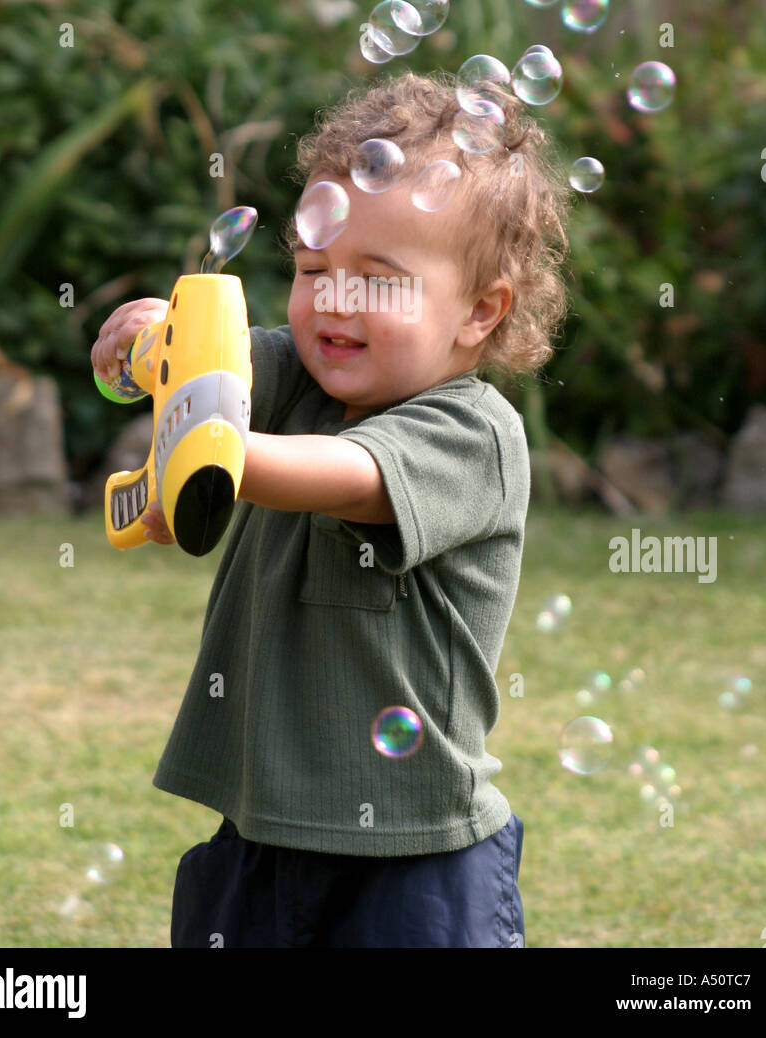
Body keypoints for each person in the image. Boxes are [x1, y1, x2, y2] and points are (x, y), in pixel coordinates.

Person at [91, 70, 570, 947]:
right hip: (262, 832)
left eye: (378, 280)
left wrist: (215, 452)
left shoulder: (473, 433)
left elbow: (346, 474)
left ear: (480, 311)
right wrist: (156, 337)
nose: (335, 302)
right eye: (315, 270)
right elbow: (219, 362)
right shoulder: (296, 375)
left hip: (414, 861)